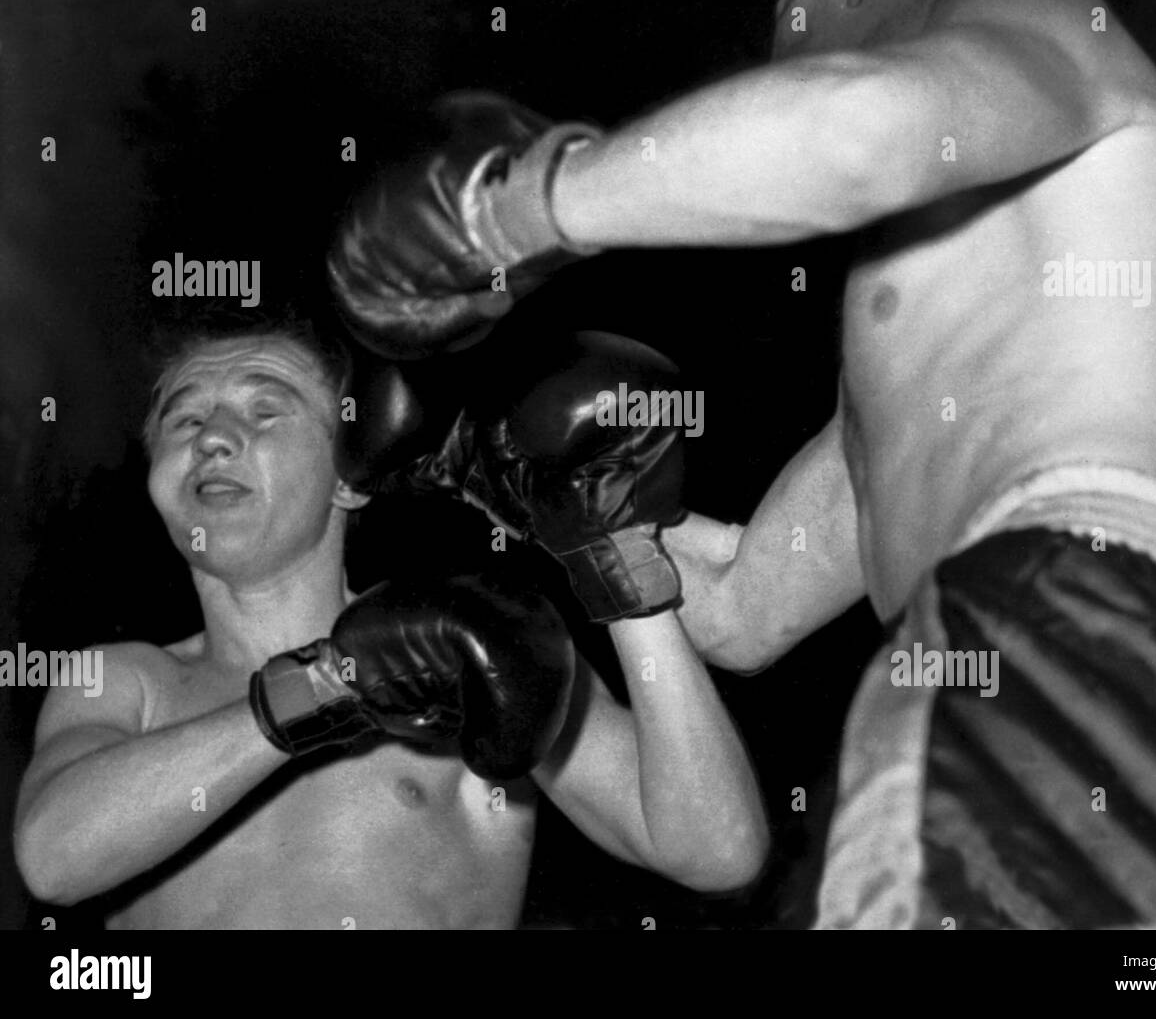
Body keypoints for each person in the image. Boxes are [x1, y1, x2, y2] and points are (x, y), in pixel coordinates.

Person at [326, 0, 1156, 928]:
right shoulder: (950, 310)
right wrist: (541, 499)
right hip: (1105, 661)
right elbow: (747, 609)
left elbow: (853, 130)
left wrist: (513, 206)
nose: (776, 32)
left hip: (1072, 620)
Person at [13, 314, 767, 928]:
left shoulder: (474, 647)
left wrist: (610, 551)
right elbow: (53, 857)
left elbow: (716, 848)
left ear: (351, 478)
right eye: (183, 418)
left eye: (264, 407)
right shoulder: (126, 681)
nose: (212, 436)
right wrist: (329, 686)